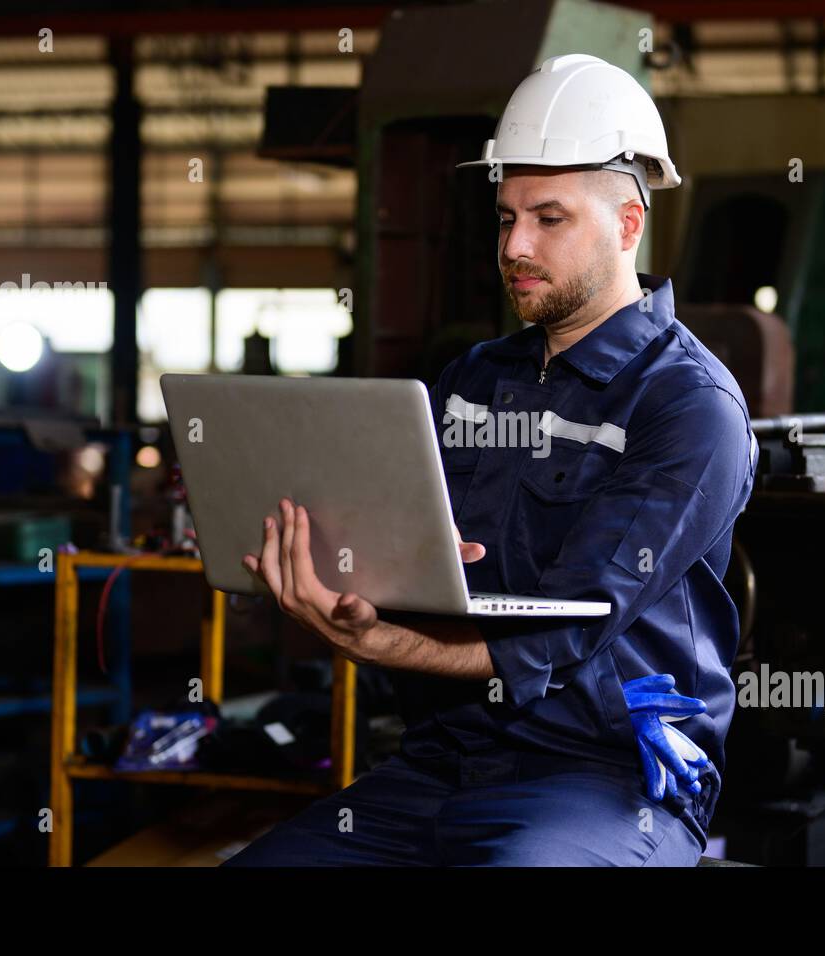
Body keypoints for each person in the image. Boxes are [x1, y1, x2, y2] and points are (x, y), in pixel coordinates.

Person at [224, 53, 757, 867]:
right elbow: (406, 561)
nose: (515, 245)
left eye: (549, 219)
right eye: (506, 216)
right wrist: (316, 567)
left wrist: (384, 646)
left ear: (627, 224)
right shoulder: (473, 381)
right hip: (441, 763)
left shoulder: (686, 407)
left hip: (605, 779)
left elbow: (565, 631)